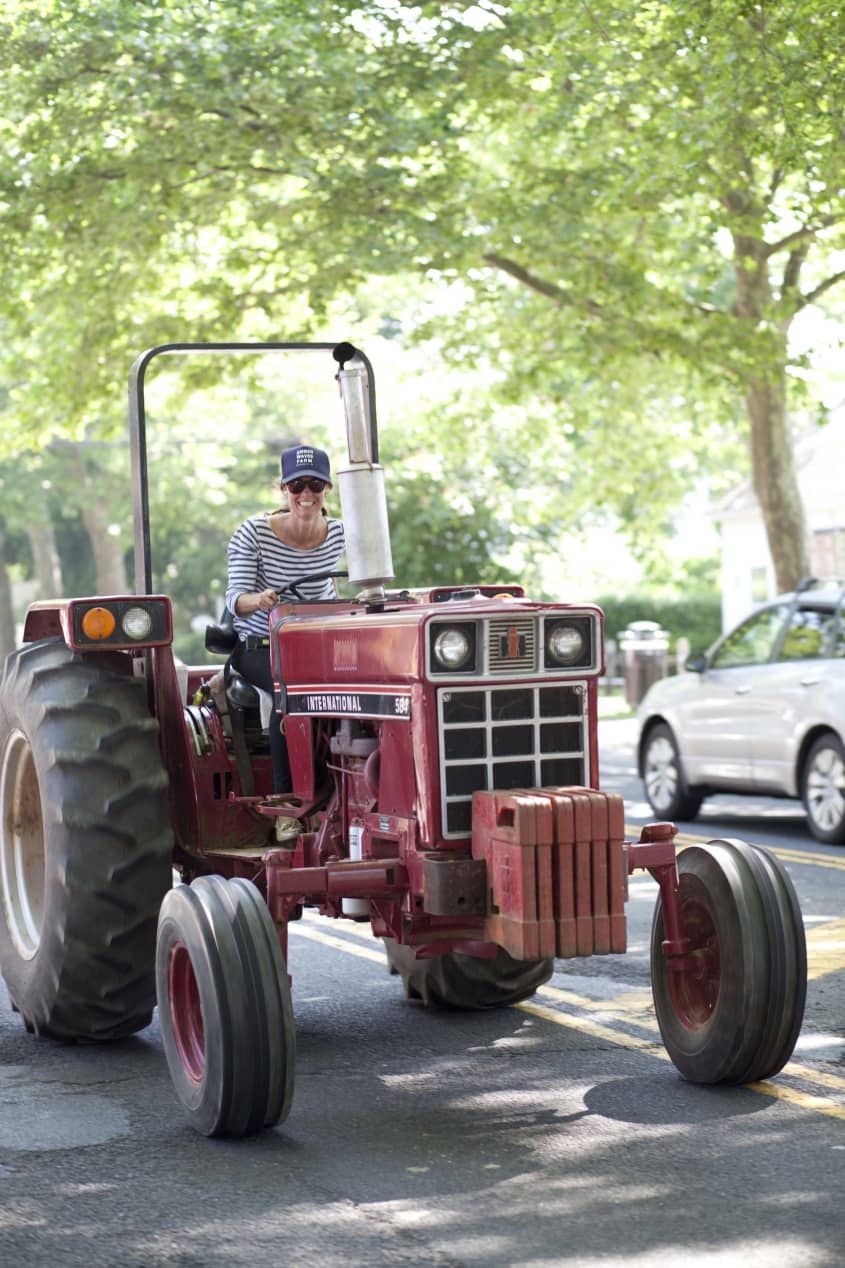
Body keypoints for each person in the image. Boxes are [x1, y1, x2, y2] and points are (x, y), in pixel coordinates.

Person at [225, 444, 345, 793]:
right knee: (291, 692)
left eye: (315, 485)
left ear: (327, 491)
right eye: (297, 486)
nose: (306, 494)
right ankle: (288, 801)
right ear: (284, 489)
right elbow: (235, 599)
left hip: (318, 644)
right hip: (261, 646)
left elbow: (342, 590)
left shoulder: (338, 533)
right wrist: (259, 600)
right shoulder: (254, 533)